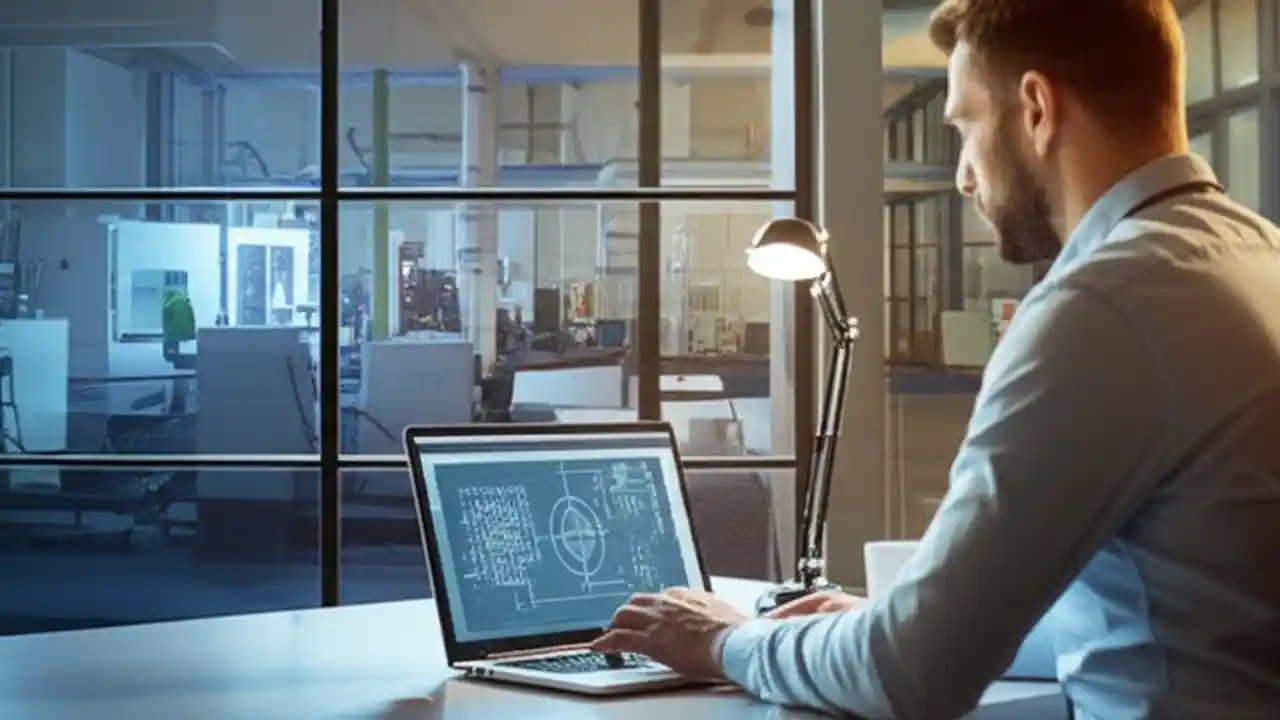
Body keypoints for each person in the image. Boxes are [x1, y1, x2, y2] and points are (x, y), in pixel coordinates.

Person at [592, 1, 1280, 717]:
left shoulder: (1100, 306)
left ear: (1037, 108)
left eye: (964, 126)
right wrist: (898, 615)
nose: (963, 176)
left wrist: (724, 643)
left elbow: (910, 675)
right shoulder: (1256, 258)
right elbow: (1175, 615)